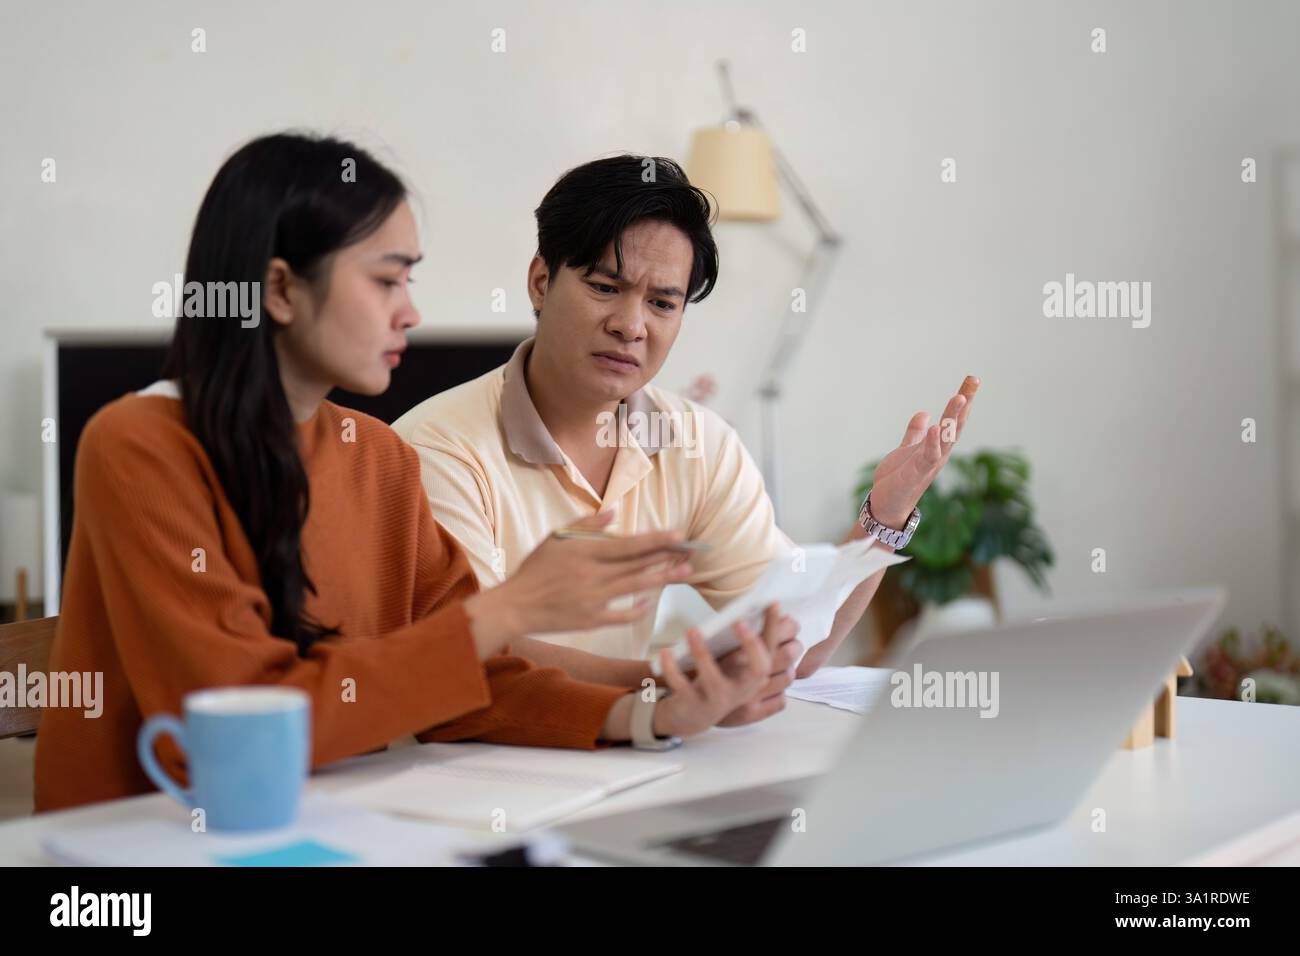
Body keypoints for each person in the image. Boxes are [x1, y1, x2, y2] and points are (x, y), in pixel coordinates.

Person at [34, 134, 781, 812]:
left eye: (410, 281)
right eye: (387, 281)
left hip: (330, 827)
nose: (410, 313)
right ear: (283, 290)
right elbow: (242, 714)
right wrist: (512, 607)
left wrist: (652, 713)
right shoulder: (140, 444)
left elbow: (462, 685)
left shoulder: (377, 457)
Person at [393, 154, 979, 686]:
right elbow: (471, 658)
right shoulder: (439, 446)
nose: (631, 324)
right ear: (542, 282)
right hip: (469, 778)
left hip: (623, 764)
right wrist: (662, 688)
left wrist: (885, 517)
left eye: (662, 303)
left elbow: (800, 643)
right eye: (604, 287)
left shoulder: (698, 445)